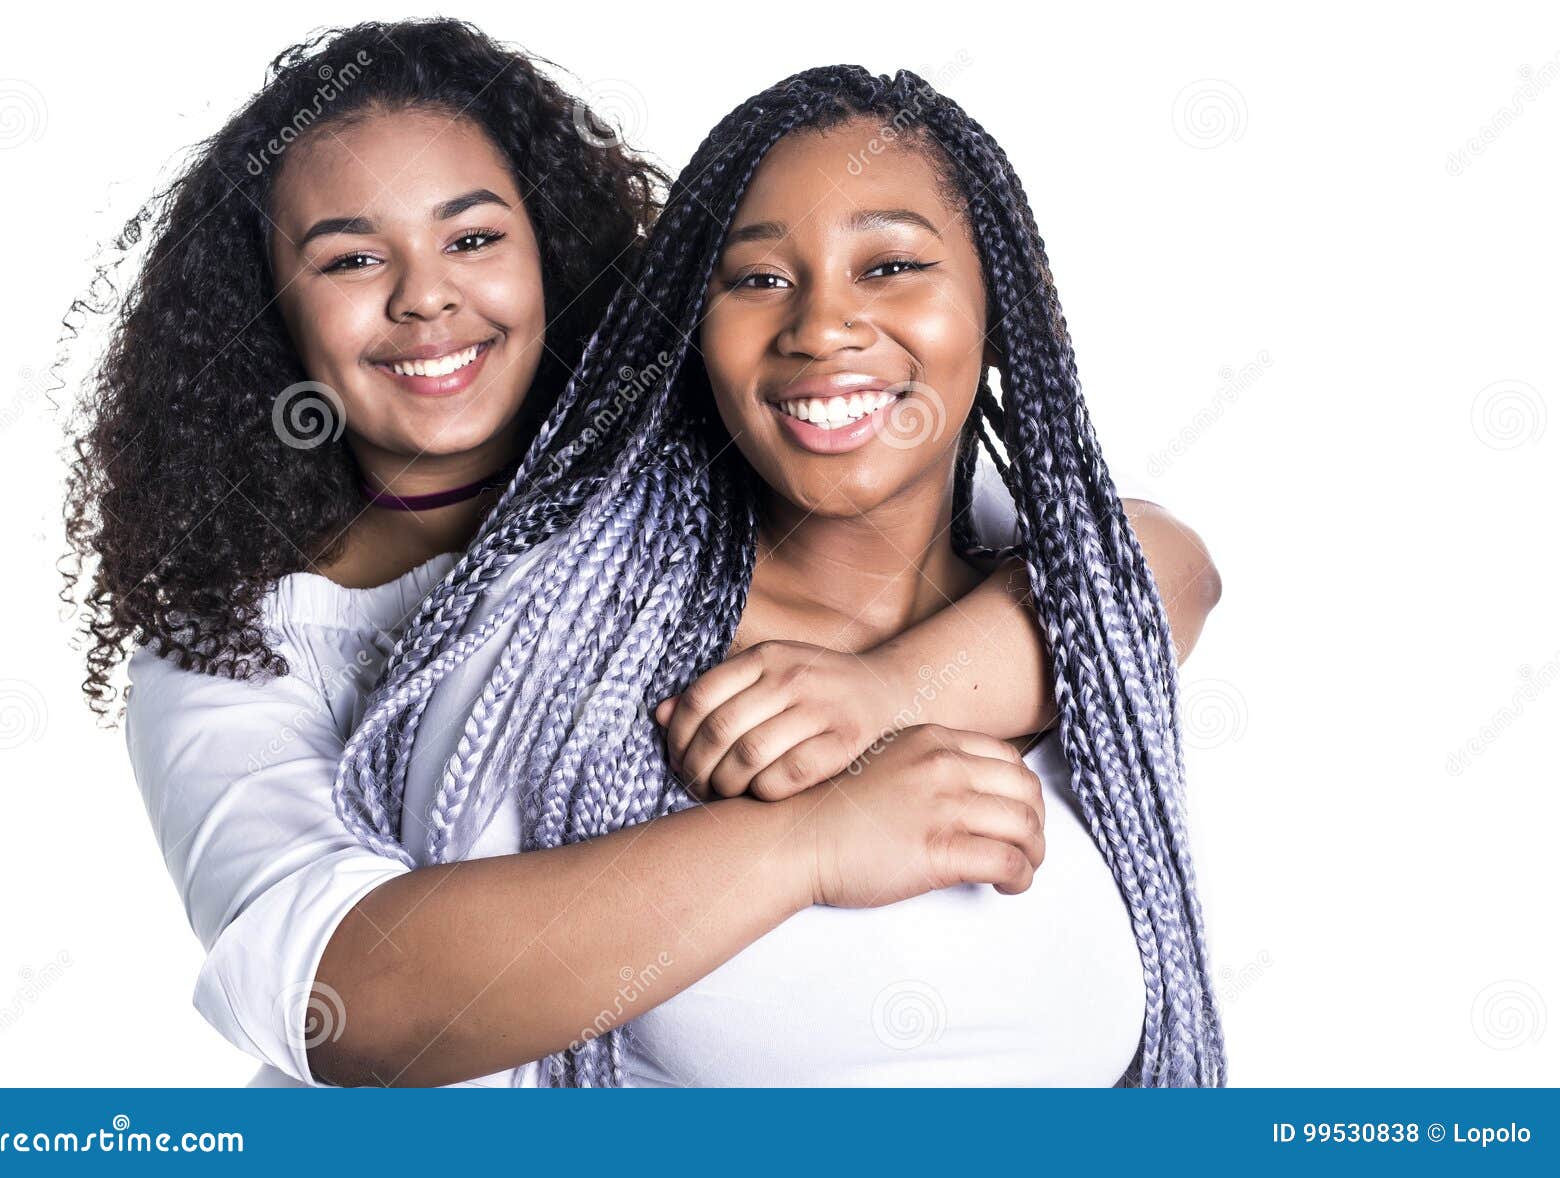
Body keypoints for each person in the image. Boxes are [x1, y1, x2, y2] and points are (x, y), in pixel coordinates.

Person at [328, 65, 1227, 1088]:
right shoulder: (573, 650)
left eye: (889, 266)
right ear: (693, 334)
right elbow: (377, 1012)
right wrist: (812, 840)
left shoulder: (1076, 635)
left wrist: (888, 694)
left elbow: (1171, 568)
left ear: (1001, 301)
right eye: (757, 279)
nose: (819, 326)